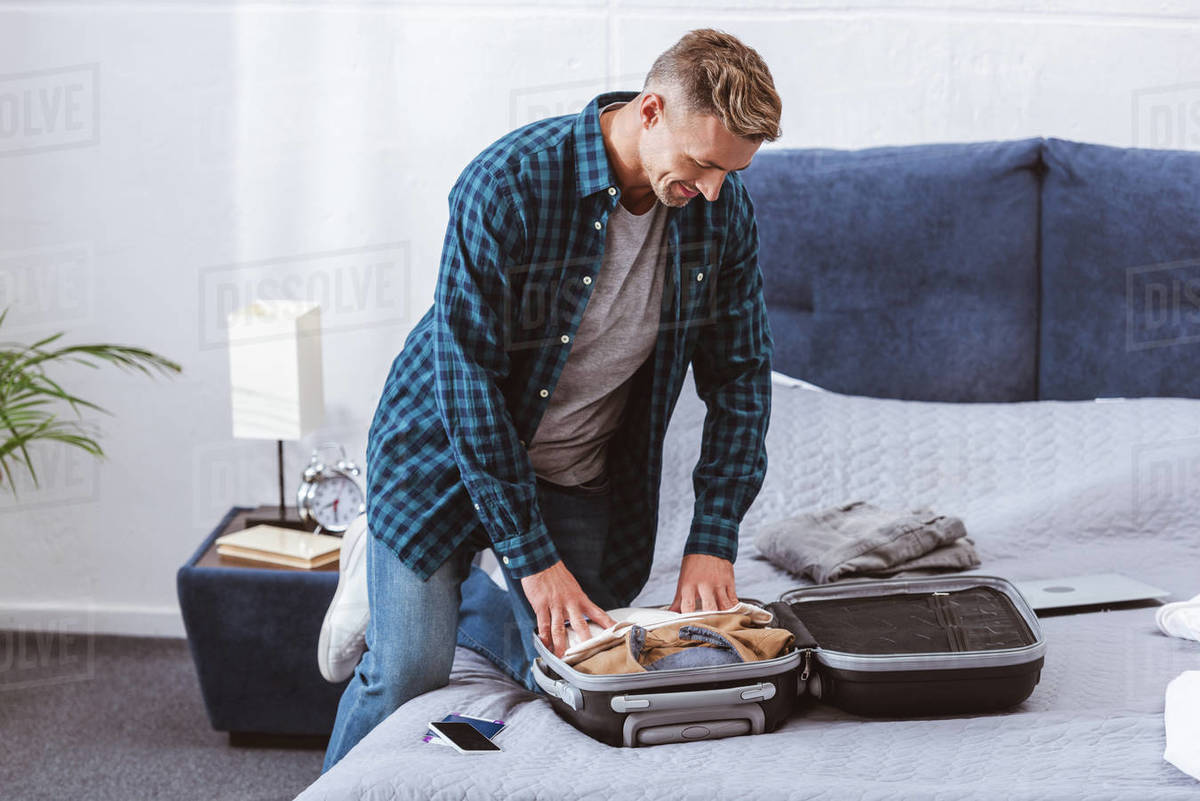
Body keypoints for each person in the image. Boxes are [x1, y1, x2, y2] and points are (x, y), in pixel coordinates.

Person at [319, 27, 782, 773]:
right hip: (442, 455)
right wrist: (533, 561)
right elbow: (466, 379)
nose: (714, 191)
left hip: (574, 469)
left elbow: (741, 375)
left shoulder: (720, 212)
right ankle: (387, 567)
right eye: (702, 165)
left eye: (732, 172)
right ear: (651, 110)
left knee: (581, 671)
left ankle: (482, 597)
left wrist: (713, 535)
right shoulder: (507, 183)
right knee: (410, 672)